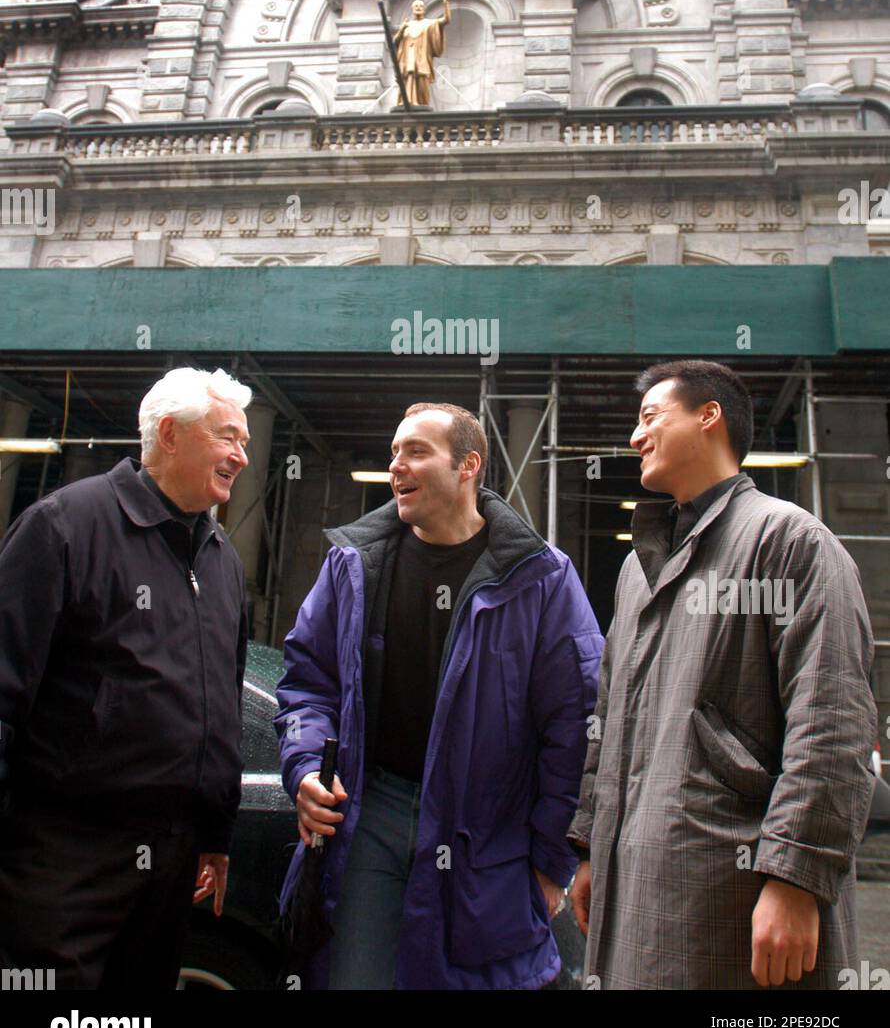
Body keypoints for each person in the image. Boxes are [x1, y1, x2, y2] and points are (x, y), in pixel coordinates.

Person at [568, 359, 877, 990]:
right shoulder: (638, 569)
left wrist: (795, 877)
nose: (635, 436)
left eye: (651, 416)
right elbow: (609, 719)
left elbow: (833, 717)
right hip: (635, 876)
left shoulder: (788, 541)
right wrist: (592, 848)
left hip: (731, 883)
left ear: (709, 415)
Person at [275, 401, 602, 990]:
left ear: (468, 465)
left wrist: (553, 857)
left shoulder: (541, 578)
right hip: (368, 813)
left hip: (488, 834)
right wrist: (304, 766)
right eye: (393, 453)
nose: (397, 465)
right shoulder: (353, 564)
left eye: (416, 451)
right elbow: (307, 682)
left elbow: (574, 725)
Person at [0, 366, 253, 989]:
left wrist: (215, 832)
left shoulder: (223, 561)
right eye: (228, 438)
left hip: (171, 868)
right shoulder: (64, 526)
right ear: (169, 433)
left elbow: (221, 705)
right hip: (64, 860)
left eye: (245, 441)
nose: (243, 457)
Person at [393, 0, 451, 106]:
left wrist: (446, 3)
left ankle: (421, 103)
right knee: (408, 77)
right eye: (416, 6)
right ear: (412, 9)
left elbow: (446, 20)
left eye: (421, 6)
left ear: (424, 9)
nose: (418, 8)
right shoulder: (407, 25)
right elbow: (394, 42)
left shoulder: (429, 23)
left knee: (422, 80)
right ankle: (407, 100)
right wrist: (401, 29)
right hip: (408, 58)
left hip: (422, 57)